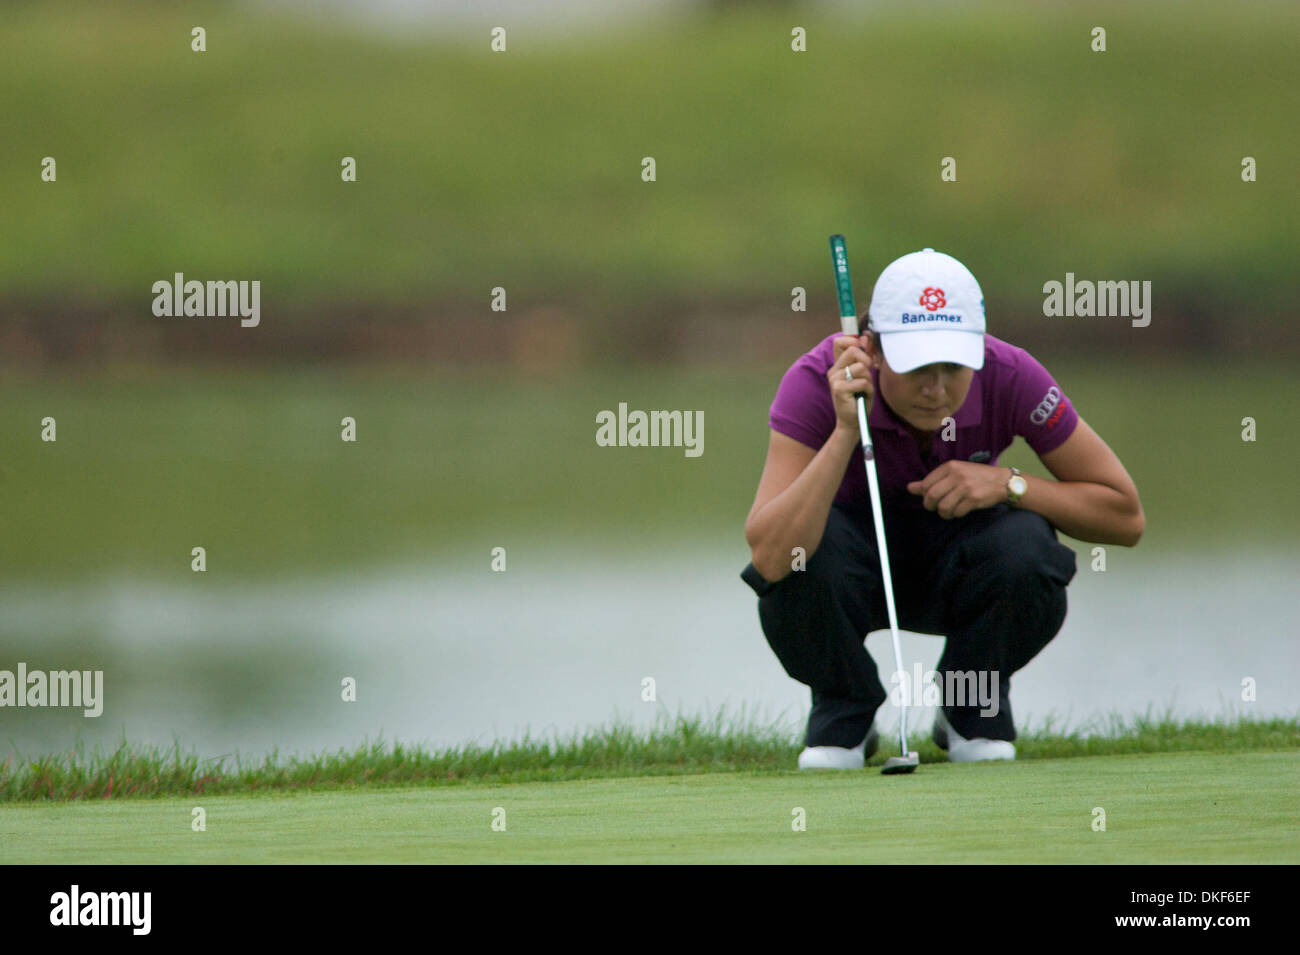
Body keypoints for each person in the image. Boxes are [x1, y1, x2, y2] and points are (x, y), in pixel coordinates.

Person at [741, 248, 1144, 768]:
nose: (936, 391)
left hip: (961, 566)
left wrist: (1008, 483)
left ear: (977, 349)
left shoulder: (1012, 374)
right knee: (802, 559)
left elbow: (1125, 517)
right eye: (917, 369)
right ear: (873, 350)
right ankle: (845, 715)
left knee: (1028, 547)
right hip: (852, 572)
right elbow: (770, 558)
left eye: (953, 368)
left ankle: (968, 707)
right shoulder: (816, 381)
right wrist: (845, 430)